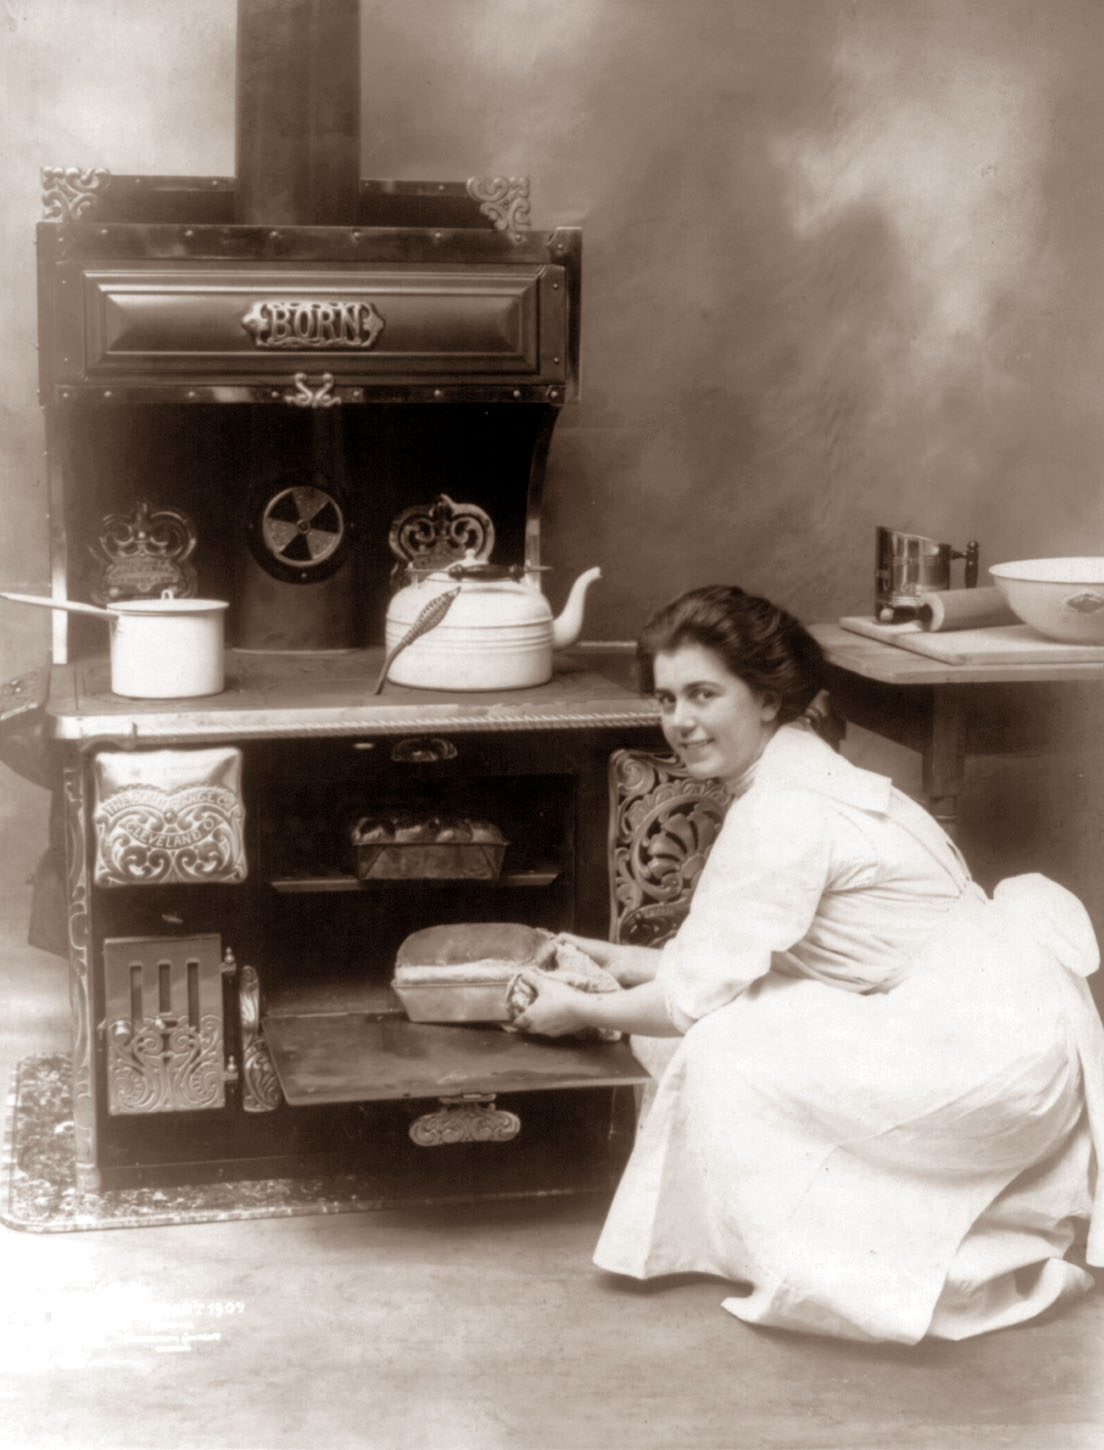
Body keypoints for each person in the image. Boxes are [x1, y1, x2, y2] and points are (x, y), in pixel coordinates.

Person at [512, 584, 1104, 1343]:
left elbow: (691, 1001)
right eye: (666, 700)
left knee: (719, 1041)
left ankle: (861, 1267)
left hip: (985, 1061)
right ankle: (887, 1235)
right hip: (1013, 1039)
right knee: (741, 1007)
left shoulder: (782, 810)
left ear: (765, 699)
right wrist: (618, 960)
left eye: (703, 694)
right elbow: (733, 957)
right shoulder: (811, 770)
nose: (681, 723)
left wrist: (580, 1010)